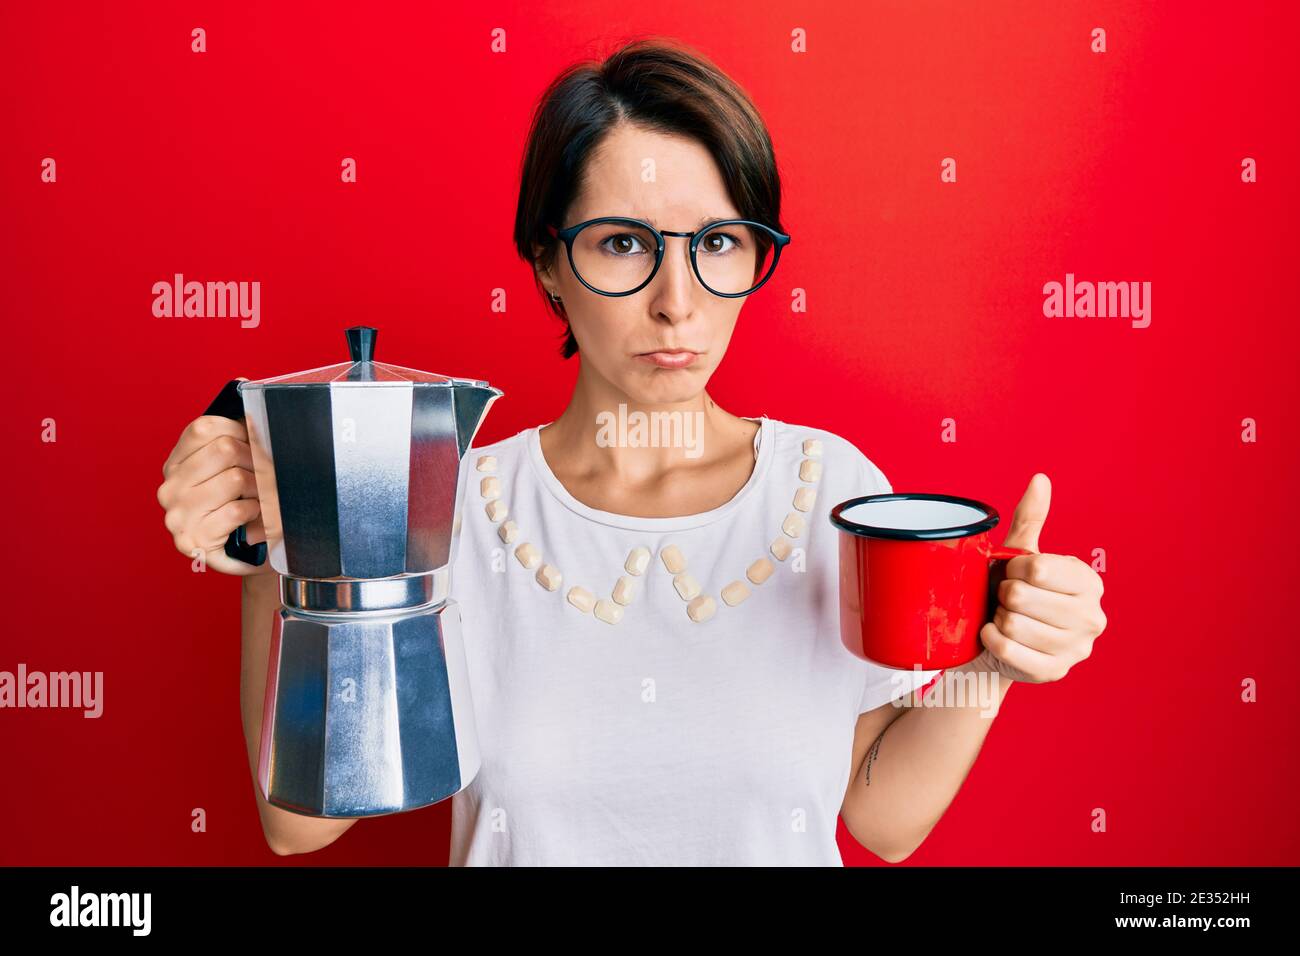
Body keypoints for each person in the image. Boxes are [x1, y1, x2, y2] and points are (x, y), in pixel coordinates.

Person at [156, 37, 1107, 866]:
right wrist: (272, 552)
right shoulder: (442, 510)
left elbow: (881, 817)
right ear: (547, 263)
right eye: (622, 243)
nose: (678, 303)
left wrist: (995, 665)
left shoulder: (834, 493)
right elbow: (298, 829)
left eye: (720, 243)